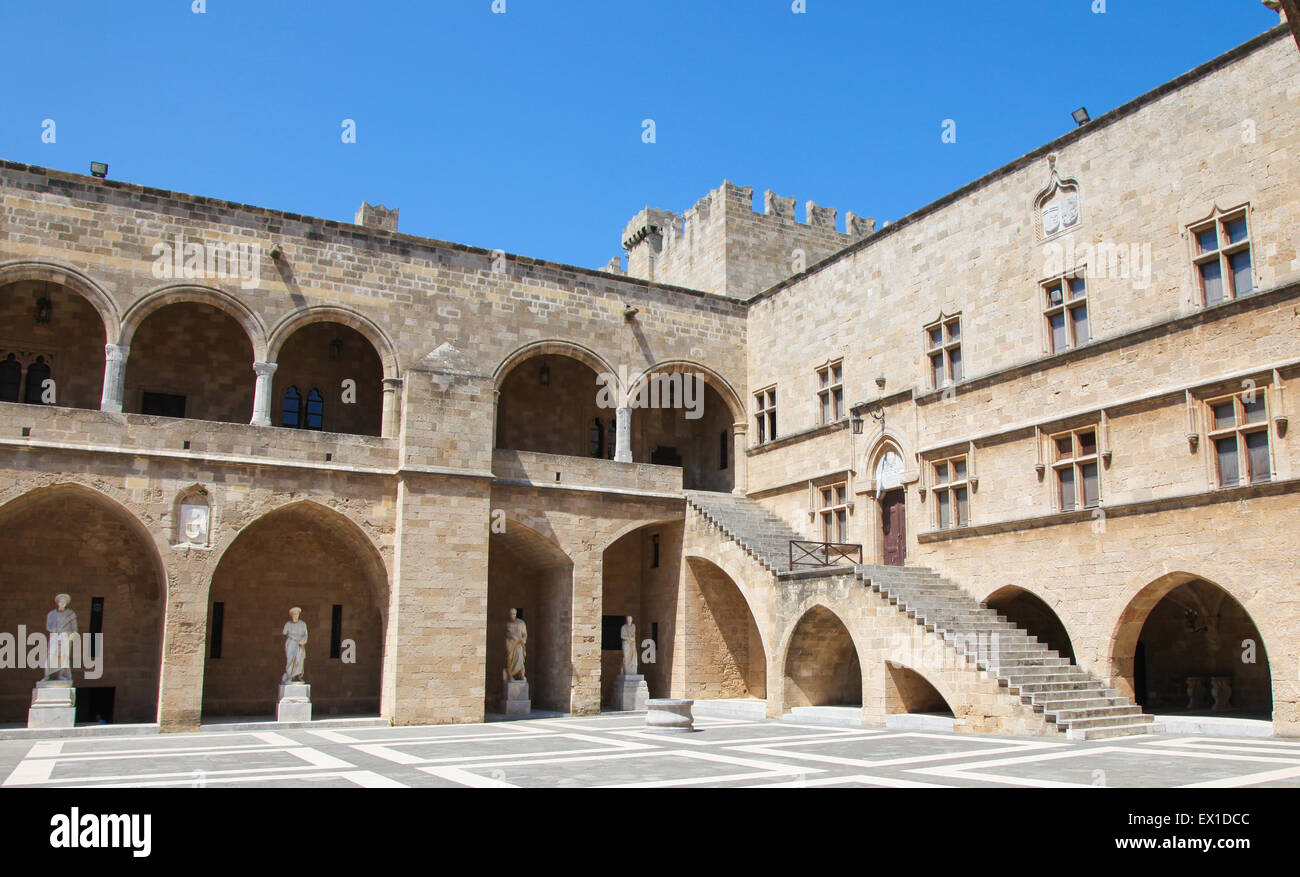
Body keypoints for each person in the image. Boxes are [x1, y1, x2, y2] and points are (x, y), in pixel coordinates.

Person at [282, 607, 308, 683]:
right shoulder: (288, 624)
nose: (295, 615)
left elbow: (305, 635)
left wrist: (302, 641)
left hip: (300, 644)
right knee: (290, 660)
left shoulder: (303, 624)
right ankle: (289, 676)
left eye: (297, 614)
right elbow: (284, 632)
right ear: (292, 615)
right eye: (294, 614)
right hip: (291, 644)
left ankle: (298, 676)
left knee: (299, 660)